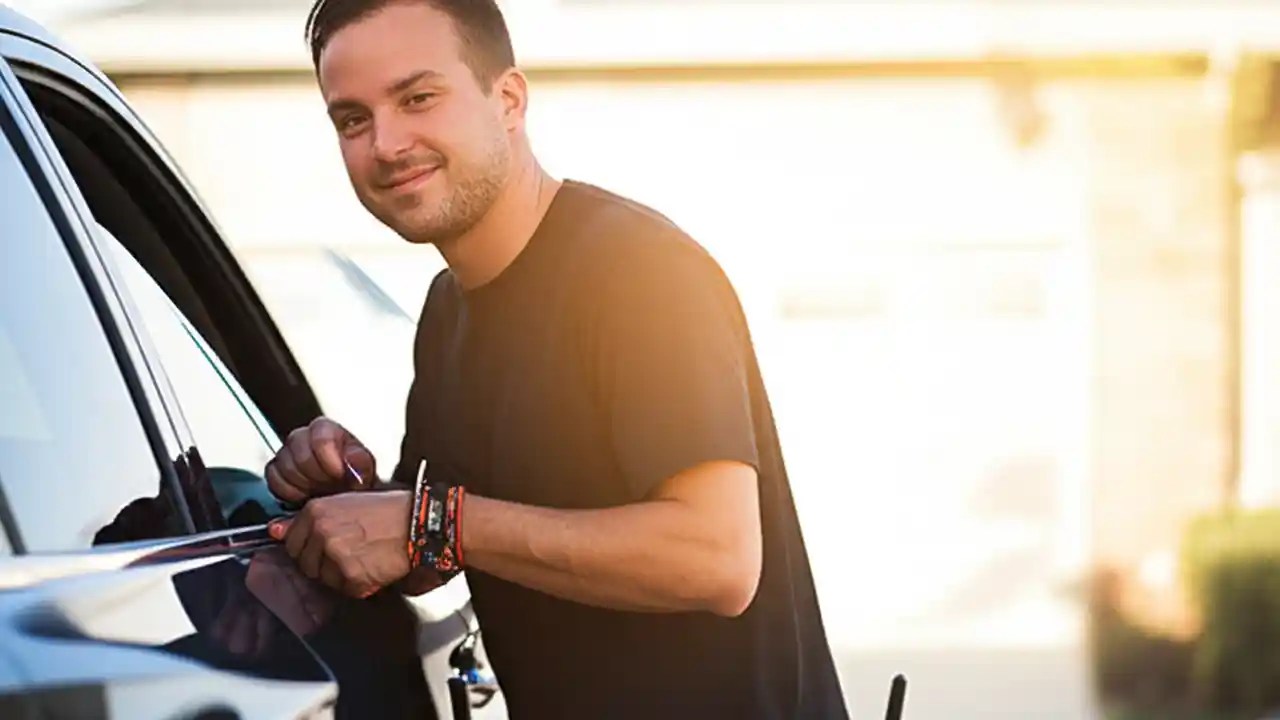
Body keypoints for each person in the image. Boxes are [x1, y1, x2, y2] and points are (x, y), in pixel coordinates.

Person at [264, 0, 848, 717]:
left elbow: (717, 559)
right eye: (353, 119)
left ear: (507, 100)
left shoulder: (636, 269)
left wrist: (430, 520)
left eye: (418, 98)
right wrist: (348, 494)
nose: (385, 143)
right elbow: (438, 550)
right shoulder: (449, 312)